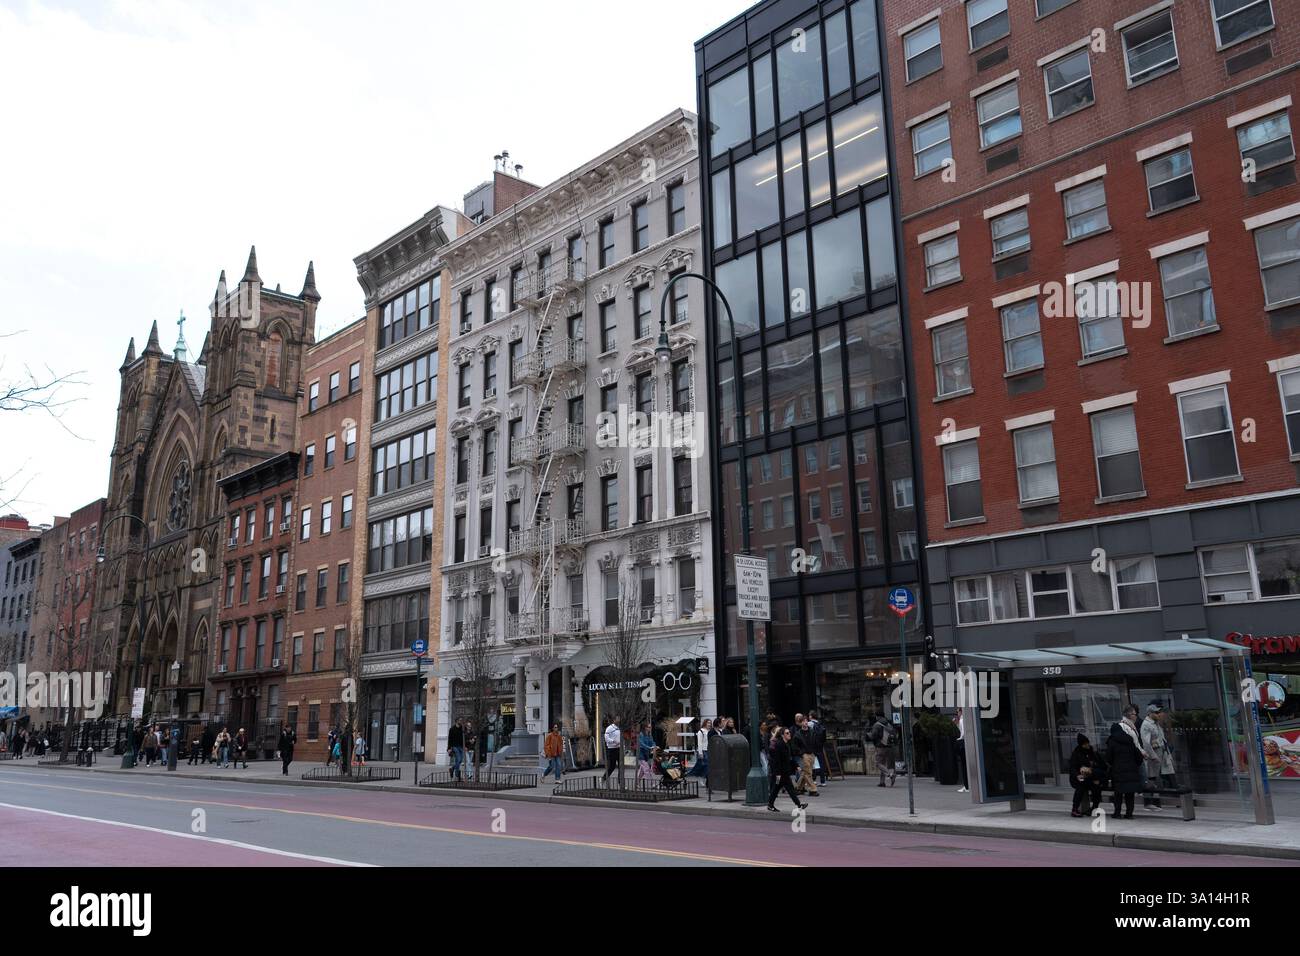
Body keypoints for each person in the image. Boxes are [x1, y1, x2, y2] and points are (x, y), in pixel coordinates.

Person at [1106, 705, 1150, 820]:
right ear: (1129, 715)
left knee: (1118, 793)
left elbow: (1108, 757)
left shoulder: (1112, 741)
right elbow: (1137, 754)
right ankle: (1129, 814)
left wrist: (1113, 764)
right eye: (1135, 714)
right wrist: (1136, 761)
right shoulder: (1129, 739)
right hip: (1131, 770)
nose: (1136, 716)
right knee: (1129, 793)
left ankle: (1117, 813)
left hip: (1118, 770)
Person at [1140, 704, 1176, 811]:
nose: (1158, 714)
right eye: (1156, 712)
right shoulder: (1147, 725)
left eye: (1159, 712)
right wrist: (1153, 756)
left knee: (1157, 779)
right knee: (1151, 779)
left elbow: (1161, 738)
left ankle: (1156, 802)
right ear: (1150, 713)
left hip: (1160, 754)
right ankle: (1149, 803)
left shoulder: (1156, 724)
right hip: (1153, 757)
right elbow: (1146, 743)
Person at [766, 726, 807, 813]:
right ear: (782, 735)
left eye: (789, 733)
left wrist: (796, 766)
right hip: (780, 772)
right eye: (787, 733)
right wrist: (777, 773)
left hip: (784, 772)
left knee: (778, 788)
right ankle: (799, 805)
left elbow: (789, 758)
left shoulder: (787, 744)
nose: (789, 734)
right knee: (784, 789)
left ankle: (770, 804)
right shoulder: (779, 745)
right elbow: (777, 760)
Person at [1068, 733, 1108, 817]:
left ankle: (1094, 808)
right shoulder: (1076, 754)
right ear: (1081, 744)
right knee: (1080, 787)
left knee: (1096, 786)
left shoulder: (1093, 753)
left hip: (1092, 777)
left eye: (1087, 743)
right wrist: (1078, 775)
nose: (1087, 745)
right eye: (1085, 744)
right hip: (1080, 778)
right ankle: (1075, 809)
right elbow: (1072, 767)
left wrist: (1091, 770)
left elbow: (1103, 766)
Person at [791, 714, 819, 797]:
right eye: (803, 721)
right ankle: (813, 789)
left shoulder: (812, 732)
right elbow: (795, 746)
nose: (806, 722)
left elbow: (816, 742)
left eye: (806, 721)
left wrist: (815, 752)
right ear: (800, 723)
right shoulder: (797, 734)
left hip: (812, 754)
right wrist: (801, 753)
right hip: (804, 755)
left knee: (805, 772)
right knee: (808, 773)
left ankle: (798, 788)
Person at [870, 712, 897, 787]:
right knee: (885, 764)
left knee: (878, 763)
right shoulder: (889, 724)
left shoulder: (877, 725)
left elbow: (873, 736)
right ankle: (882, 782)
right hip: (890, 747)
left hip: (881, 746)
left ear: (877, 717)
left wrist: (869, 736)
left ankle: (889, 774)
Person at [807, 709, 829, 787]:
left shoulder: (809, 724)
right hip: (820, 746)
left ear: (811, 716)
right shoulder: (820, 724)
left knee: (812, 763)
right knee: (821, 763)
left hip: (812, 746)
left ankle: (813, 780)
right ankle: (823, 781)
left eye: (809, 715)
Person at [602, 716, 621, 782]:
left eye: (619, 719)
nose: (619, 720)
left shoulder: (619, 728)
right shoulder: (609, 728)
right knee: (612, 767)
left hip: (619, 748)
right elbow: (606, 738)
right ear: (614, 720)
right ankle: (603, 779)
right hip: (612, 749)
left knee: (621, 766)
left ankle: (620, 782)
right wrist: (613, 741)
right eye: (617, 719)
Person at [953, 711, 968, 793]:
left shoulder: (962, 720)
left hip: (963, 743)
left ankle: (967, 786)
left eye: (957, 711)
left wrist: (960, 739)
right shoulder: (962, 720)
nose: (957, 713)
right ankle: (967, 785)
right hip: (965, 743)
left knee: (964, 765)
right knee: (965, 765)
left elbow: (962, 734)